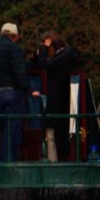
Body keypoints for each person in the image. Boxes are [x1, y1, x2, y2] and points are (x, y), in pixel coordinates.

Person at [0, 22, 36, 162]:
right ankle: (9, 165)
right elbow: (19, 72)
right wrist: (30, 89)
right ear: (14, 36)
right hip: (12, 95)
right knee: (13, 132)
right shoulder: (14, 49)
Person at [30, 31, 81, 160]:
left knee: (56, 132)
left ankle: (58, 159)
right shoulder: (61, 56)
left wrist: (44, 48)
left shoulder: (64, 56)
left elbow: (43, 65)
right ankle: (54, 159)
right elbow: (37, 64)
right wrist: (39, 52)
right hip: (55, 99)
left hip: (60, 100)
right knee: (51, 132)